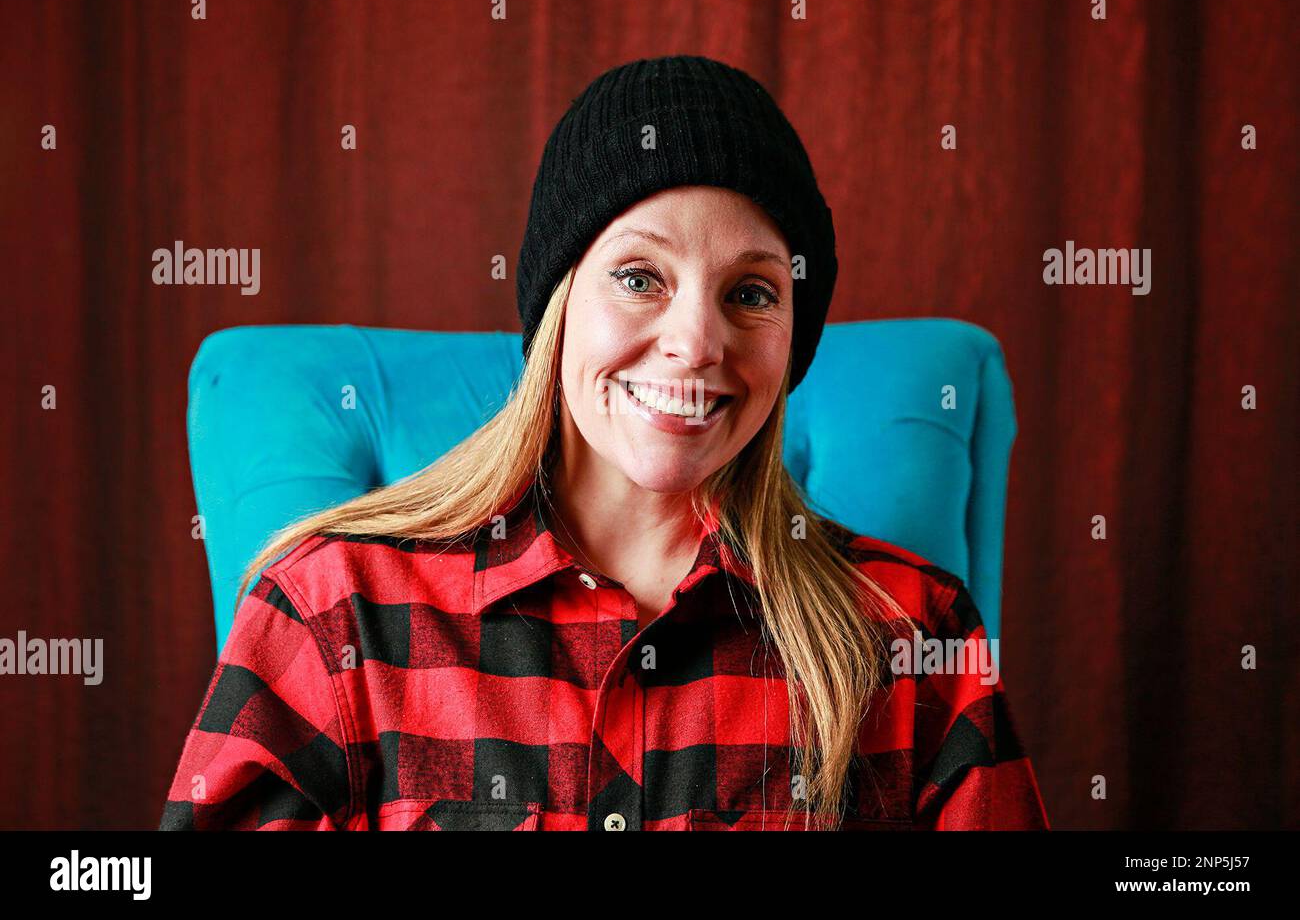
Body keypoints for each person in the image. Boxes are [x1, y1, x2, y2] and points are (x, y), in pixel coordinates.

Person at [160, 54, 1049, 831]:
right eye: (638, 276)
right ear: (558, 306)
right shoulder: (330, 608)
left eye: (751, 292)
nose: (697, 342)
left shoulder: (914, 634)